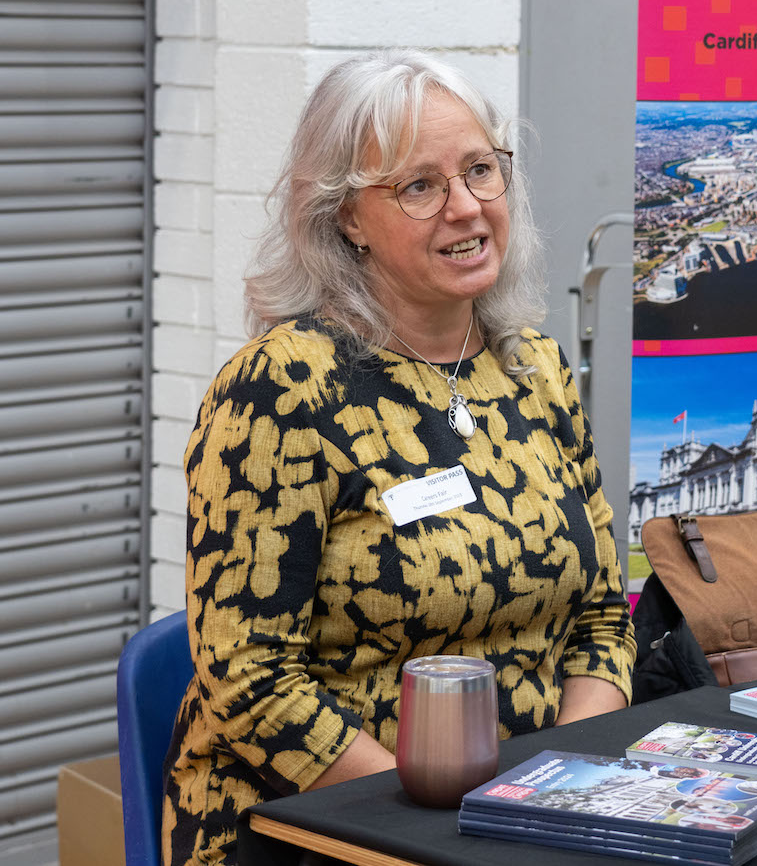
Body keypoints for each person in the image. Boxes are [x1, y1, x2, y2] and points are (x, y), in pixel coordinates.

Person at [162, 51, 634, 866]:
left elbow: (599, 616)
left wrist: (565, 789)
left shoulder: (536, 369)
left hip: (521, 822)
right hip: (317, 825)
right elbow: (250, 679)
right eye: (419, 186)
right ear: (346, 217)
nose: (465, 207)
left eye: (481, 171)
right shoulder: (284, 387)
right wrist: (436, 839)